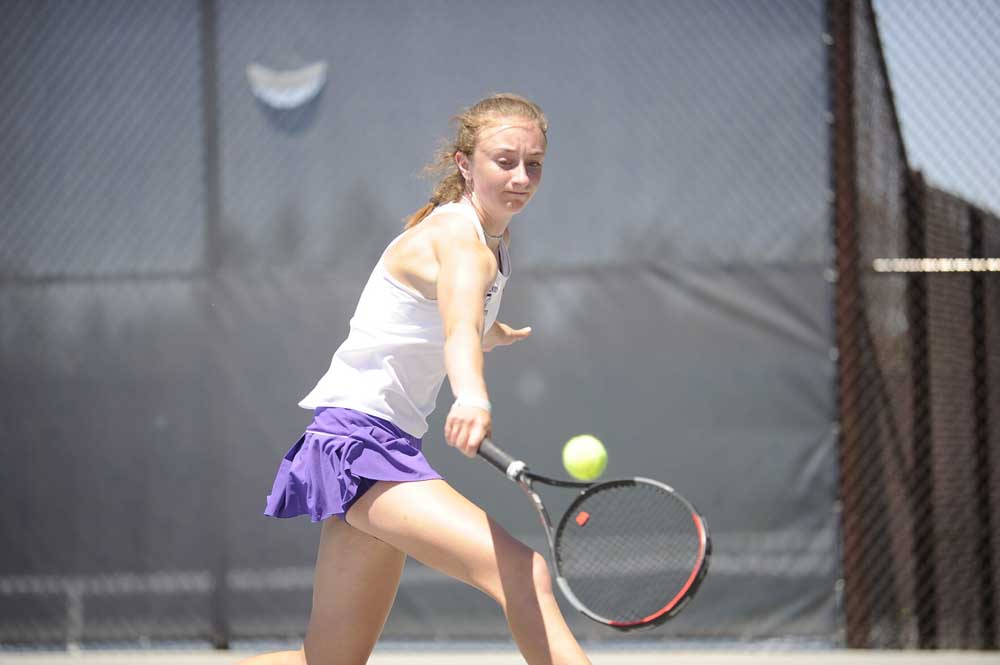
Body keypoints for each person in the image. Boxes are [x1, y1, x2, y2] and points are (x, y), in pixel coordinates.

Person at [239, 94, 591, 665]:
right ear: (464, 163)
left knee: (326, 661)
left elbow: (452, 316)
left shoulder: (488, 240)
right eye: (505, 161)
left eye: (534, 164)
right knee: (524, 574)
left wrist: (491, 331)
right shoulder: (461, 239)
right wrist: (472, 392)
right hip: (357, 444)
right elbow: (455, 326)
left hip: (372, 443)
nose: (522, 177)